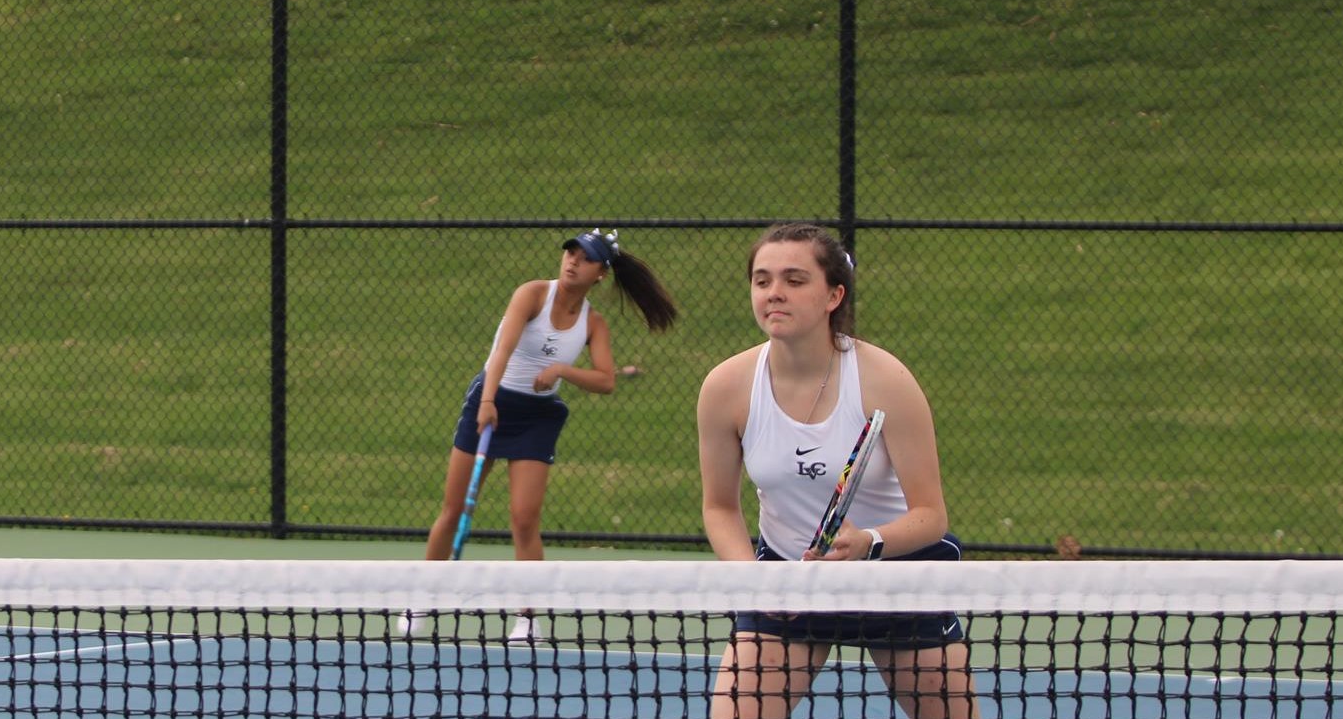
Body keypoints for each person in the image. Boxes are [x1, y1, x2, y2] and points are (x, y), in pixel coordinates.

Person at [696, 222, 979, 719]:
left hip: (897, 578)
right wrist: (754, 581)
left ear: (833, 295)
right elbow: (719, 507)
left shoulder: (885, 379)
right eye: (762, 281)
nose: (774, 293)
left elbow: (931, 515)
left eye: (794, 280)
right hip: (787, 581)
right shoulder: (726, 387)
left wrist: (868, 541)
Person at [408, 228, 678, 640]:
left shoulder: (593, 324)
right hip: (492, 401)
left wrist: (561, 371)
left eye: (585, 258)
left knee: (524, 518)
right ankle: (422, 600)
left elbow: (606, 380)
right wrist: (487, 402)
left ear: (601, 273)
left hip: (537, 417)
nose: (572, 260)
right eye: (570, 252)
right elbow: (501, 350)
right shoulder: (532, 294)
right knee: (456, 508)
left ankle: (527, 617)